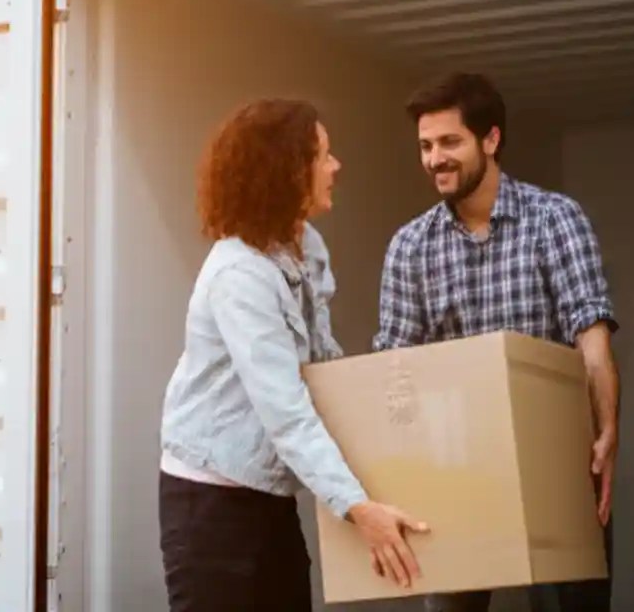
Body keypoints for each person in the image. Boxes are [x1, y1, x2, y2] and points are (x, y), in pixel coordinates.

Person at [158, 98, 430, 611]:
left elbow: (323, 364)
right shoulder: (240, 277)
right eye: (323, 155)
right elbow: (287, 410)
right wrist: (355, 506)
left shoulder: (305, 245)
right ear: (287, 170)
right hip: (210, 503)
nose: (336, 166)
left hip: (268, 493)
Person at [373, 73, 619, 612]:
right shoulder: (410, 247)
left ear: (491, 139)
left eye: (449, 142)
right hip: (457, 476)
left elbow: (592, 339)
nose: (435, 158)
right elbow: (395, 375)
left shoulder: (555, 219)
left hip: (555, 470)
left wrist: (607, 433)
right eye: (426, 145)